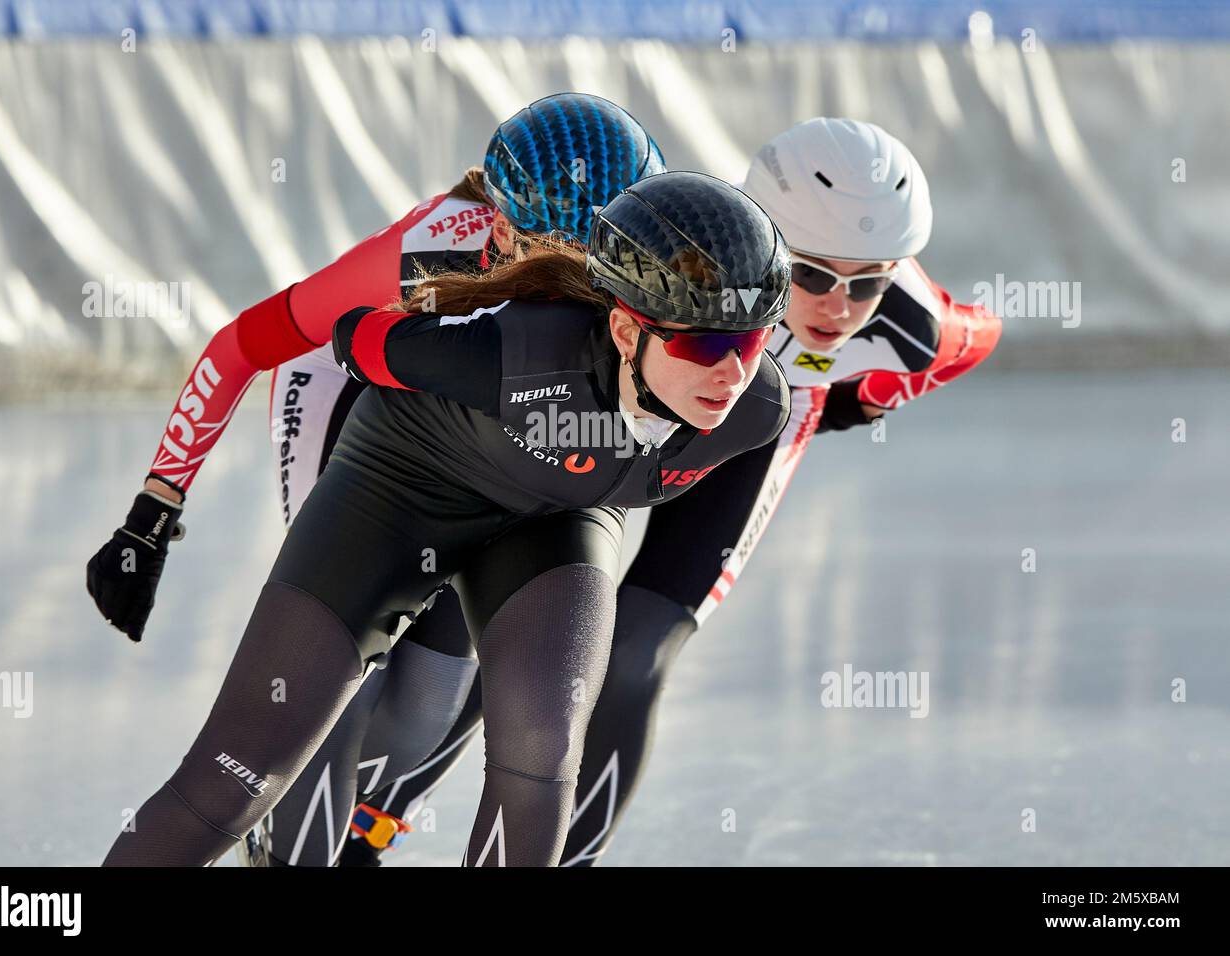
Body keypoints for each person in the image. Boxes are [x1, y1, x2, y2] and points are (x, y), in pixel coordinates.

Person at [337, 117, 1003, 867]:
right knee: (522, 629)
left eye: (871, 281)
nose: (840, 308)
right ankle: (363, 824)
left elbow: (979, 336)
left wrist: (854, 401)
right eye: (813, 275)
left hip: (745, 437)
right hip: (631, 422)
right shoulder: (685, 242)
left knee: (629, 656)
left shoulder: (922, 328)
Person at [100, 169, 795, 866]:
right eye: (703, 345)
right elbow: (352, 338)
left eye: (751, 344)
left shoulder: (757, 413)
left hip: (556, 518)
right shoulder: (513, 355)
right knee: (234, 777)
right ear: (622, 328)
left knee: (541, 747)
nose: (730, 374)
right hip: (403, 492)